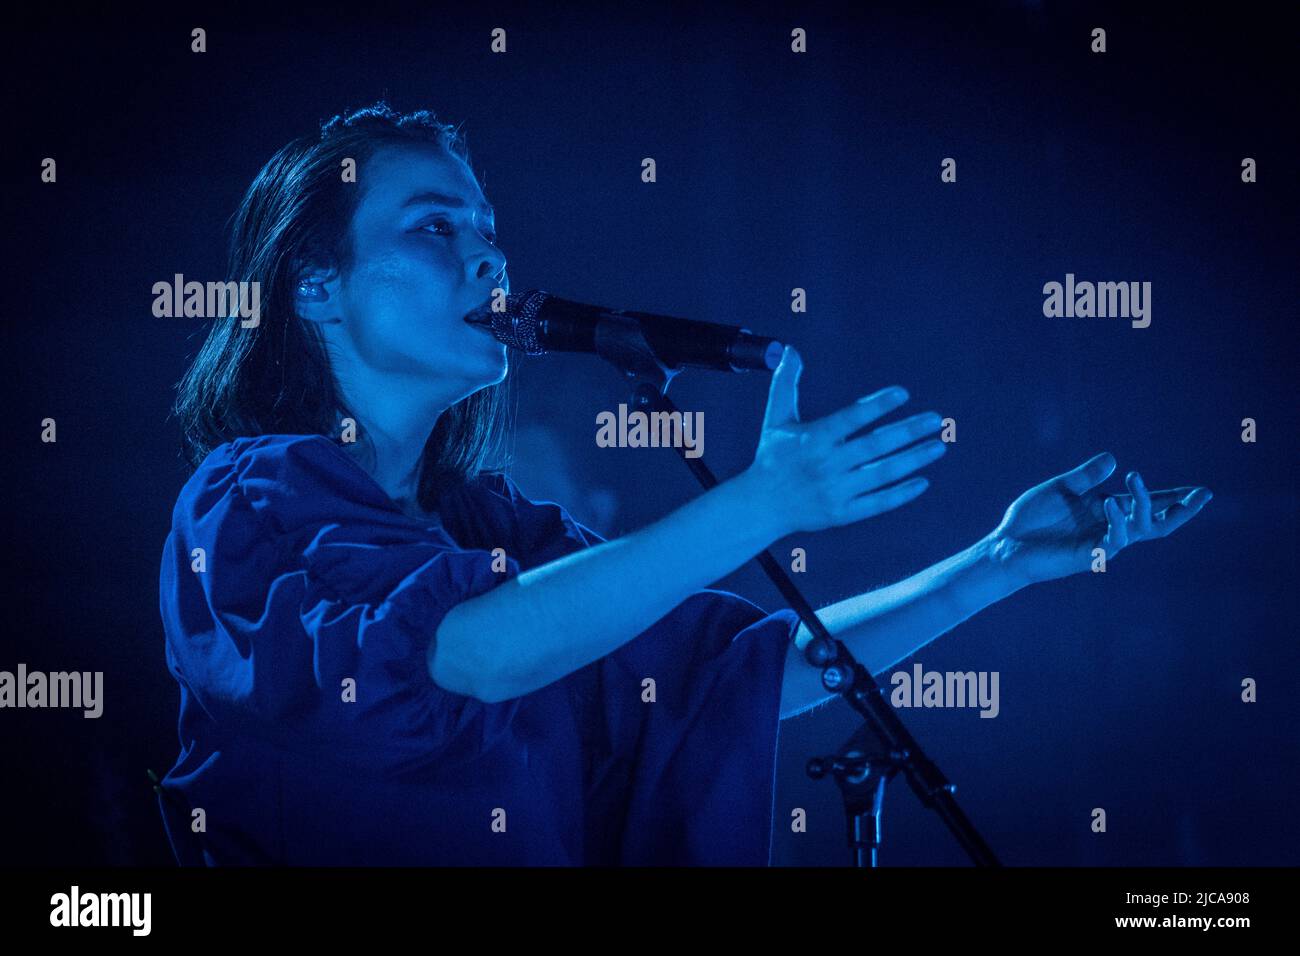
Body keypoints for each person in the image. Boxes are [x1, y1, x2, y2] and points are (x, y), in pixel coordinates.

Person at [157, 102, 1212, 866]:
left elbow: (739, 674)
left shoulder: (494, 526)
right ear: (315, 287)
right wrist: (762, 499)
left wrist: (993, 565)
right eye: (435, 227)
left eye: (489, 231)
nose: (489, 261)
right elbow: (463, 655)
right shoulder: (245, 500)